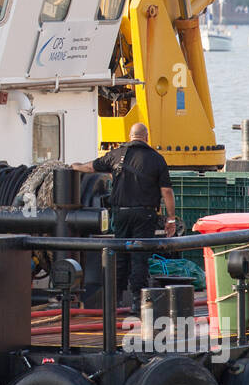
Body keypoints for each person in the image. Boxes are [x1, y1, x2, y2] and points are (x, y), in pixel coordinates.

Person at [70, 122, 176, 307]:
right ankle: (137, 300)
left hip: (121, 214)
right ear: (146, 137)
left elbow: (92, 167)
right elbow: (166, 191)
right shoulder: (157, 159)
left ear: (130, 136)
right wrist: (171, 219)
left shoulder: (116, 154)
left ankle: (116, 298)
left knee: (120, 255)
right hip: (145, 215)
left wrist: (76, 167)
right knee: (139, 257)